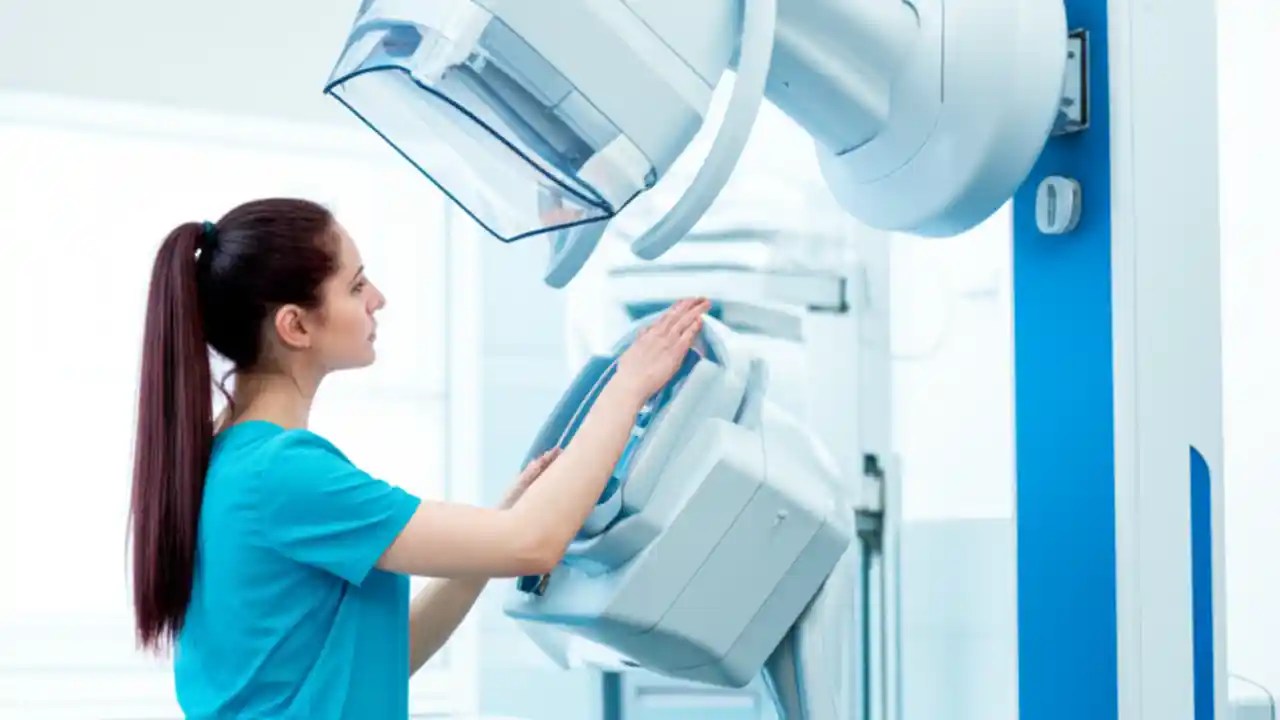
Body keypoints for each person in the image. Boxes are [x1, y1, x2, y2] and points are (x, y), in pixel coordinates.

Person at [128, 197, 710, 719]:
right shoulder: (282, 474)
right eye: (356, 287)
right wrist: (630, 384)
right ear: (296, 325)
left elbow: (381, 661)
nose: (378, 298)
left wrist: (497, 530)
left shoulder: (228, 457)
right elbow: (535, 543)